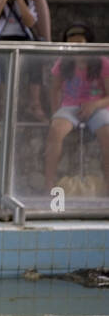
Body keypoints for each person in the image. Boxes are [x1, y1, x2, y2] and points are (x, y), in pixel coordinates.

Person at [44, 23, 108, 195]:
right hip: (70, 107)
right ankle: (49, 185)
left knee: (107, 135)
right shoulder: (63, 63)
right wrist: (55, 113)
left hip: (98, 107)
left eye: (81, 43)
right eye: (72, 44)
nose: (77, 48)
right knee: (55, 131)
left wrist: (94, 105)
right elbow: (54, 88)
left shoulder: (102, 62)